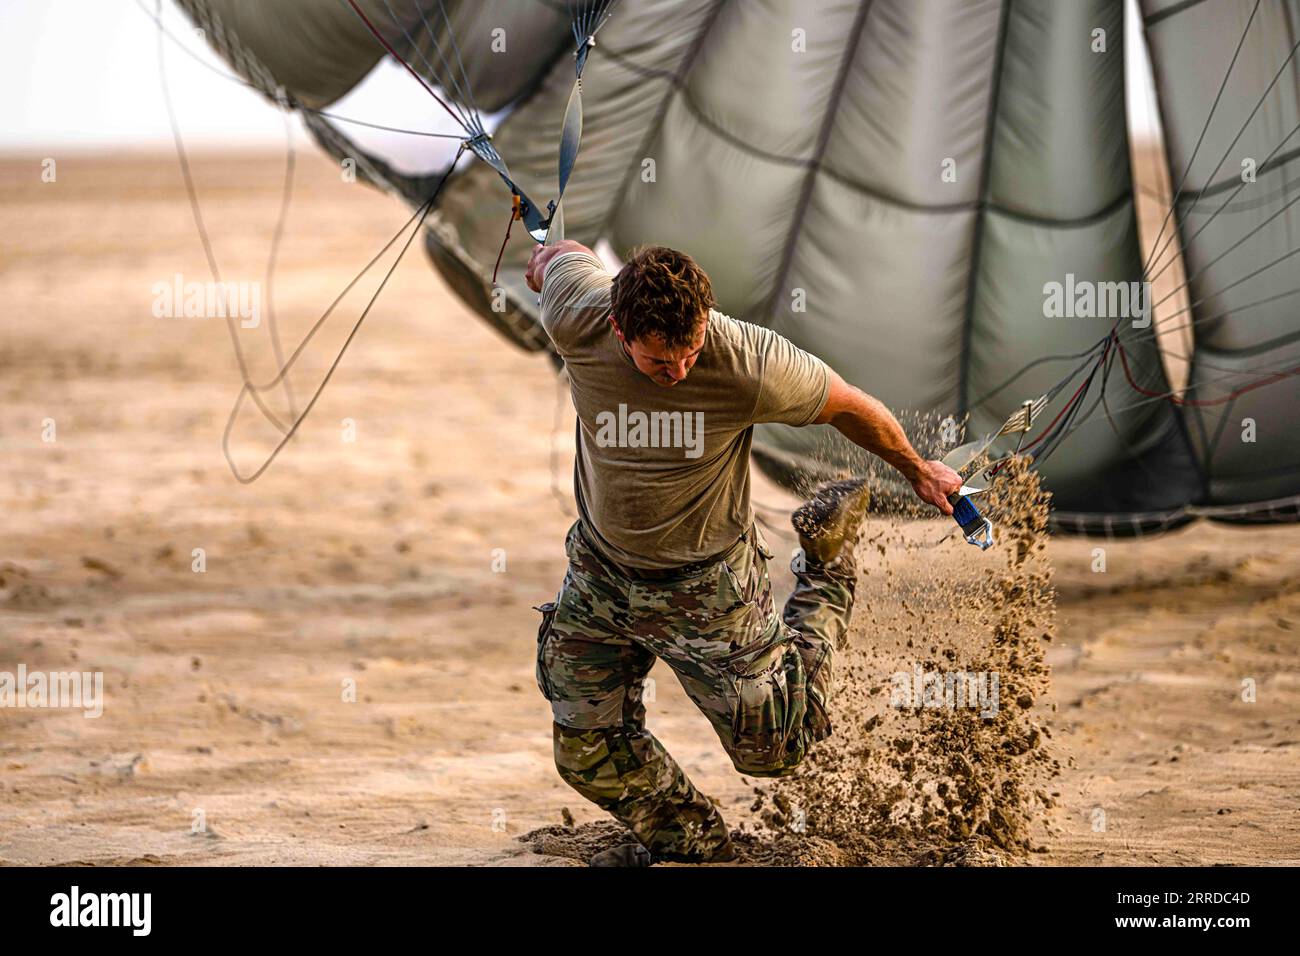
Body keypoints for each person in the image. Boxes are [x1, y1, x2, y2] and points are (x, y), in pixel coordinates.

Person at [525, 241, 961, 865]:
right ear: (618, 330)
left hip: (706, 587)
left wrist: (918, 471)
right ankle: (699, 844)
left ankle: (828, 562)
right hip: (600, 575)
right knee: (586, 752)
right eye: (658, 362)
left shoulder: (747, 362)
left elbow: (848, 404)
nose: (678, 371)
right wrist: (542, 254)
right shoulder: (577, 314)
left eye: (690, 354)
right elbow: (557, 261)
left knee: (777, 750)